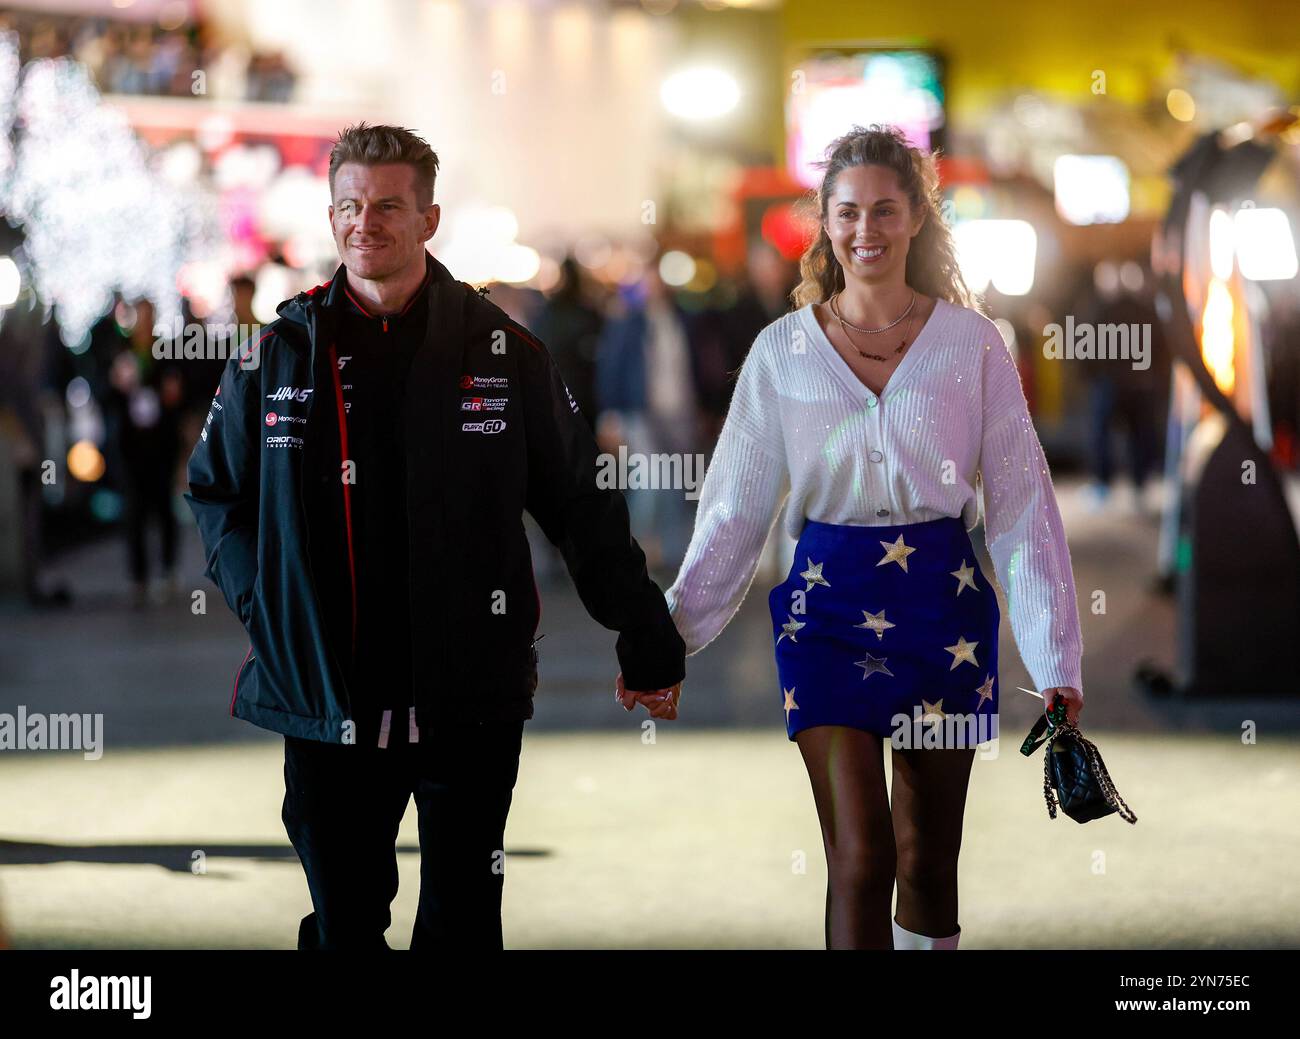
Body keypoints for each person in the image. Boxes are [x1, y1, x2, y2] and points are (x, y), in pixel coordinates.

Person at [186, 123, 684, 950]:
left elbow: (580, 505)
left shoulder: (505, 353)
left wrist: (643, 630)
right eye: (349, 205)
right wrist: (268, 603)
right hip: (325, 699)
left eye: (387, 205)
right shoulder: (274, 355)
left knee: (462, 927)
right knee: (344, 926)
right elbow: (215, 492)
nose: (363, 223)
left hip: (471, 700)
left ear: (429, 218)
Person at [622, 124, 1085, 950]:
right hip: (824, 614)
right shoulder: (780, 354)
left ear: (915, 218)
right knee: (862, 855)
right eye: (847, 213)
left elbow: (1021, 504)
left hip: (945, 610)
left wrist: (1056, 661)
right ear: (825, 225)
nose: (865, 229)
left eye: (883, 210)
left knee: (928, 862)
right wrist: (669, 640)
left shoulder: (973, 345)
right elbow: (734, 508)